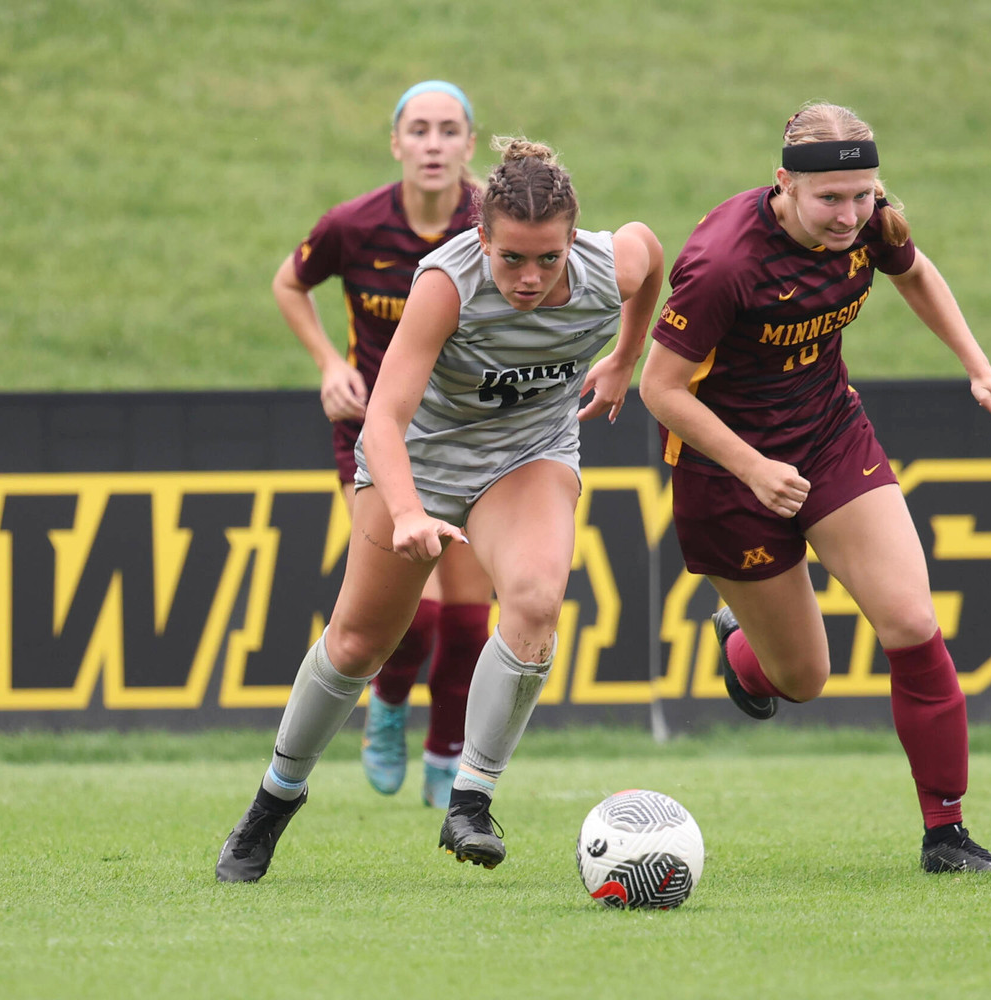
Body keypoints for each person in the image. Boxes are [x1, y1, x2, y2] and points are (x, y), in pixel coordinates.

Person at [217, 137, 665, 882]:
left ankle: (471, 800)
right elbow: (383, 420)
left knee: (536, 602)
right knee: (359, 643)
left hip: (527, 455)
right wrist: (406, 513)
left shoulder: (606, 265)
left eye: (548, 258)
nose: (530, 278)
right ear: (481, 237)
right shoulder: (445, 283)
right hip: (418, 460)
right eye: (511, 258)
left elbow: (649, 257)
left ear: (572, 241)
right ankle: (275, 798)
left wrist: (625, 358)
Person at [638, 101, 991, 874]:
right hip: (728, 475)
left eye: (863, 195)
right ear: (784, 184)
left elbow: (916, 273)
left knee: (912, 622)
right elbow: (660, 388)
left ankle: (946, 835)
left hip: (829, 436)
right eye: (830, 199)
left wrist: (977, 365)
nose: (849, 215)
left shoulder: (871, 224)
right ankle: (741, 647)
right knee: (803, 678)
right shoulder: (724, 263)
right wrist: (752, 467)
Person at [271, 80, 493, 809]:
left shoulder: (493, 223)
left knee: (467, 620)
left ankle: (448, 750)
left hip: (470, 436)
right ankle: (389, 704)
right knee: (414, 614)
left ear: (469, 144)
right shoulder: (353, 225)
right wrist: (328, 364)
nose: (433, 144)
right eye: (419, 130)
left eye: (449, 130)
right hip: (377, 435)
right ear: (395, 142)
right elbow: (289, 283)